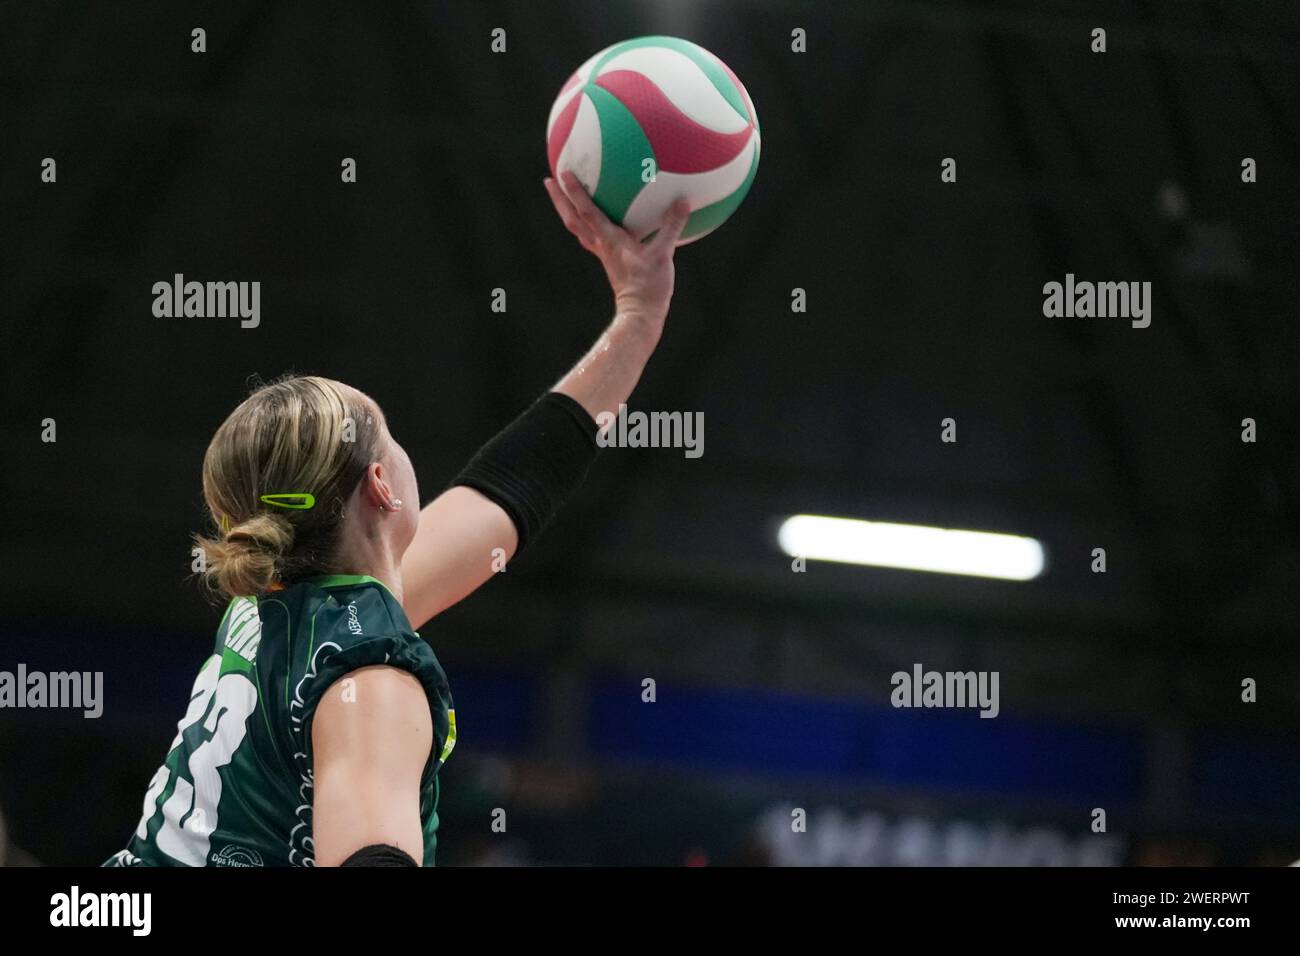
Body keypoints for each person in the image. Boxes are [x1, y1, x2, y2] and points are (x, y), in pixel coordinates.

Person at [104, 175, 692, 867]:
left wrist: (638, 316)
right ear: (382, 483)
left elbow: (511, 485)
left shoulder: (282, 607)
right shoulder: (371, 678)